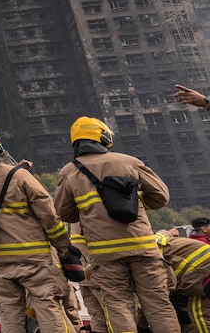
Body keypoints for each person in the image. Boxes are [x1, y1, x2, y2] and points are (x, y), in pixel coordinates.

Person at [54, 117, 180, 333]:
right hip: (144, 249)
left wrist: (90, 213)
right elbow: (161, 196)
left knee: (118, 308)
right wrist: (137, 204)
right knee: (159, 306)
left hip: (106, 255)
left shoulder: (70, 172)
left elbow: (64, 213)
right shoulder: (129, 161)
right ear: (103, 137)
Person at [0, 126, 72, 333]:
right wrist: (63, 246)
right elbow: (47, 212)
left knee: (10, 315)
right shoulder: (19, 176)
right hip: (33, 259)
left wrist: (16, 171)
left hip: (0, 262)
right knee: (48, 308)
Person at [153, 229, 210, 333]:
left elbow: (162, 289)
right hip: (197, 270)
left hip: (201, 273)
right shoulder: (155, 240)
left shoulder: (147, 256)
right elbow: (163, 232)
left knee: (196, 314)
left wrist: (141, 313)